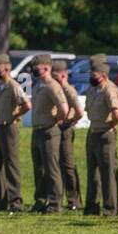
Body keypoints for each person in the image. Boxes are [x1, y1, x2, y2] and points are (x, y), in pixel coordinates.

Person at [83, 55, 118, 217]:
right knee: (92, 173)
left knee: (107, 173)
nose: (92, 78)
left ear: (104, 76)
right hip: (93, 131)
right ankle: (92, 206)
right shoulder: (92, 89)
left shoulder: (109, 89)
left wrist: (111, 124)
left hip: (105, 133)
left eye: (95, 76)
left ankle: (110, 207)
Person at [0, 54, 30, 213]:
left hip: (9, 127)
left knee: (11, 165)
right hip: (0, 127)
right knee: (0, 165)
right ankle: (1, 199)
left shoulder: (14, 86)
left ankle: (16, 201)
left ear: (7, 68)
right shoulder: (0, 86)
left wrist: (15, 115)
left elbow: (26, 104)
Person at [28, 54, 68, 213]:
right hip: (37, 130)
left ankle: (55, 202)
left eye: (36, 68)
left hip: (49, 131)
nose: (34, 71)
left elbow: (64, 109)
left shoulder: (53, 86)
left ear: (46, 68)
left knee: (51, 168)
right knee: (39, 168)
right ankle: (40, 200)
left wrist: (56, 120)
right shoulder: (38, 86)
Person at [52, 59, 84, 210]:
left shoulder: (68, 90)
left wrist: (67, 122)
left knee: (68, 164)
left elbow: (79, 112)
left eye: (57, 75)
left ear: (64, 75)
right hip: (55, 128)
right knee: (56, 164)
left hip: (65, 129)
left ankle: (74, 199)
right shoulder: (54, 88)